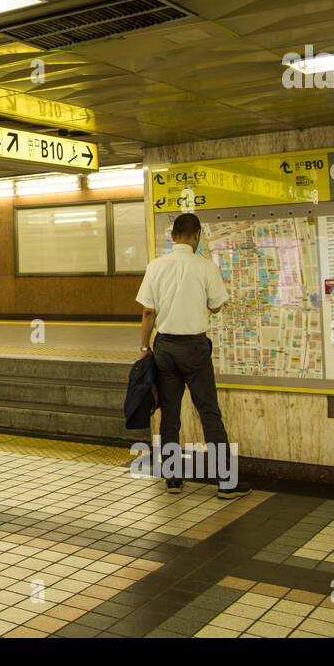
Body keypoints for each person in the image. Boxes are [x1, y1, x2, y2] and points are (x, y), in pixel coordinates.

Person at [136, 213, 249, 499]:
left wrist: (144, 348)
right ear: (197, 236)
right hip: (195, 349)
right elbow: (217, 307)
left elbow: (148, 311)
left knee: (170, 415)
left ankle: (172, 479)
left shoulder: (156, 266)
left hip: (164, 348)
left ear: (173, 236)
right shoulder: (205, 266)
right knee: (209, 413)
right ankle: (226, 482)